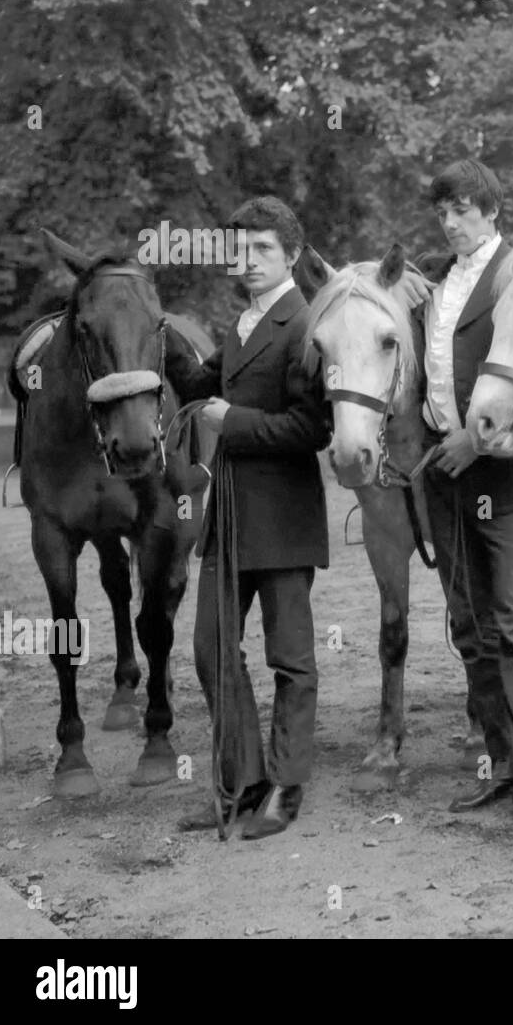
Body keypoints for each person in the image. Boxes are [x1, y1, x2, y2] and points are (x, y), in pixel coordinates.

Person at [414, 158, 513, 834]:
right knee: (469, 624)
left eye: (463, 209)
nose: (451, 222)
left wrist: (473, 442)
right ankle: (501, 763)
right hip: (440, 471)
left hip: (504, 471)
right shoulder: (432, 280)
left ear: (490, 208)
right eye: (443, 211)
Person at [167, 197, 330, 840]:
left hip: (284, 516)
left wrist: (227, 422)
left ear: (291, 254)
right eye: (241, 249)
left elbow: (311, 428)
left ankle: (287, 786)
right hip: (229, 516)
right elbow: (198, 385)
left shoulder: (306, 323)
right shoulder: (240, 324)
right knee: (211, 649)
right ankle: (244, 778)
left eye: (263, 248)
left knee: (290, 657)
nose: (250, 260)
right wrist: (152, 330)